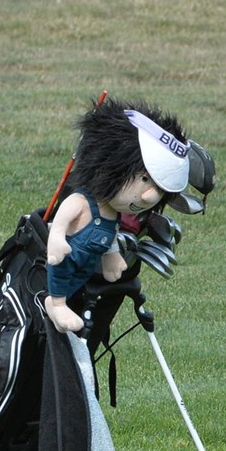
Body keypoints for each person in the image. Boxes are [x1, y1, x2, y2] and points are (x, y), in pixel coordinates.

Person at [42, 98, 200, 334]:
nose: (149, 197)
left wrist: (112, 258)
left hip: (85, 271)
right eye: (145, 180)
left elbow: (110, 237)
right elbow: (59, 223)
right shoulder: (81, 203)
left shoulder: (115, 215)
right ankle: (55, 303)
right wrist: (56, 240)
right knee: (62, 277)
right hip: (66, 262)